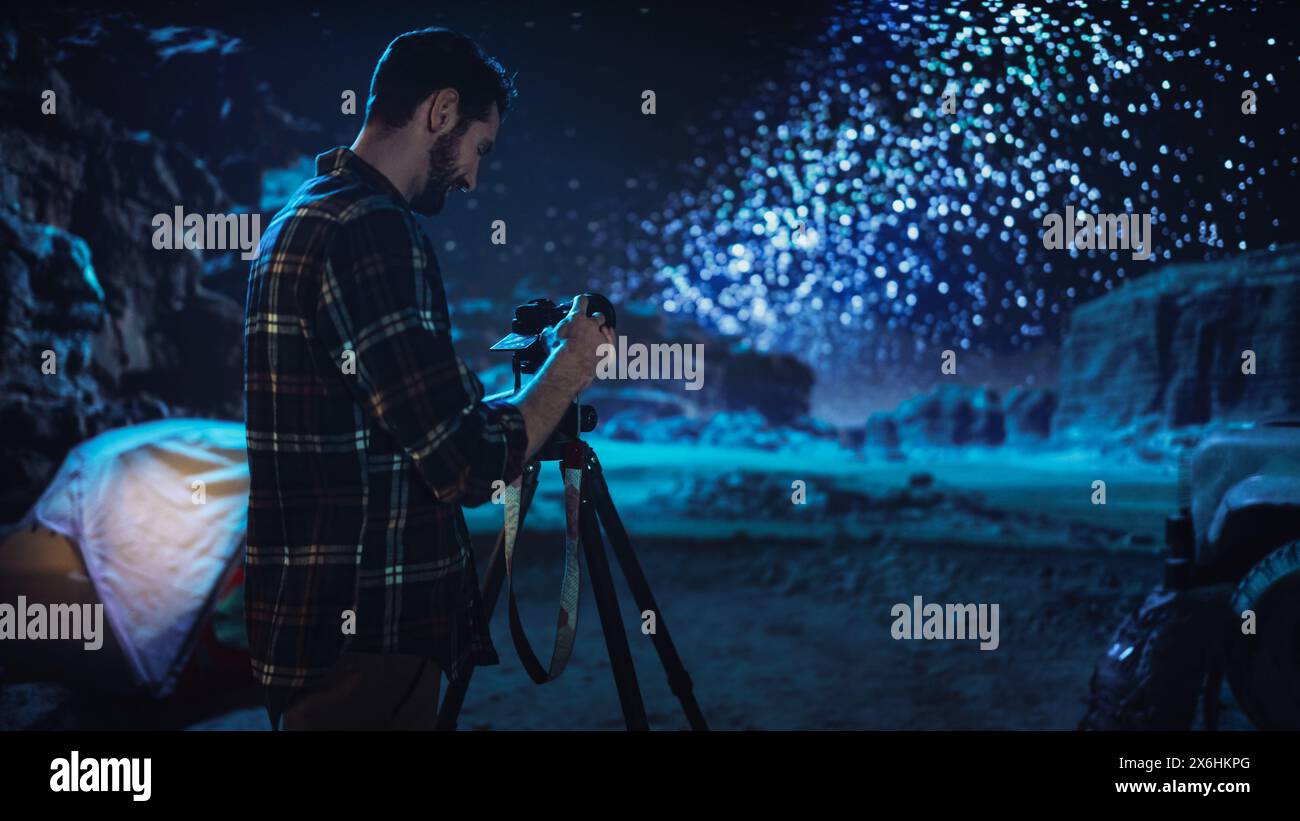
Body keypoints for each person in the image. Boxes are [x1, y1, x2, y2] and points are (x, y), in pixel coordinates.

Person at [243, 26, 613, 729]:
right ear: (441, 113)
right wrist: (566, 373)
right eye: (480, 149)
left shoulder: (299, 216)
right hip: (375, 634)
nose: (472, 179)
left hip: (308, 624)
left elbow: (405, 423)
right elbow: (465, 464)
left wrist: (521, 402)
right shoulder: (375, 230)